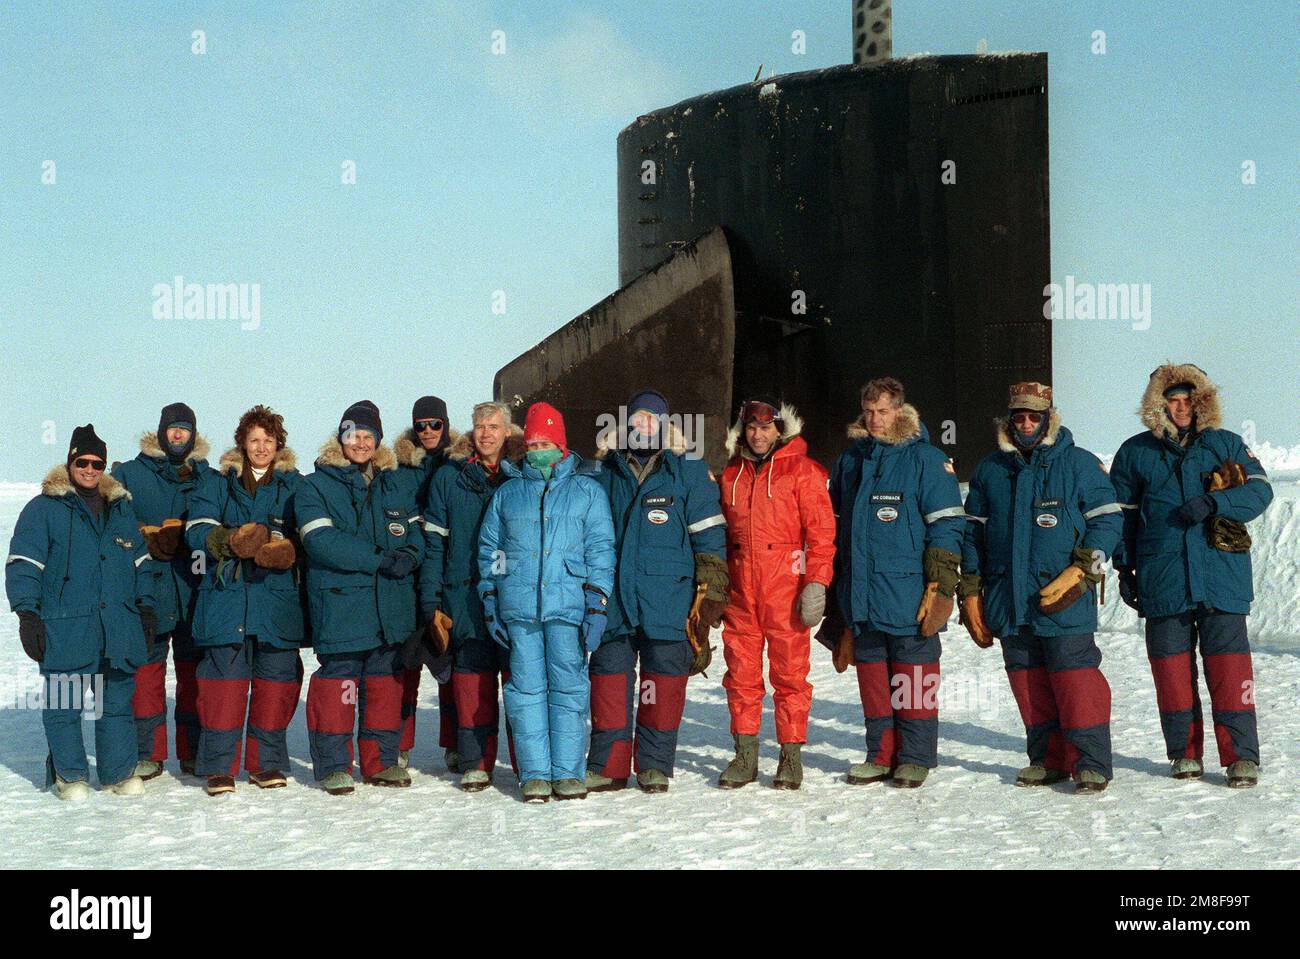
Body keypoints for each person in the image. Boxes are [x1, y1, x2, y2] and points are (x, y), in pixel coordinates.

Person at [1109, 364, 1272, 788]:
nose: (1180, 408)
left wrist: (1216, 505)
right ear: (1159, 406)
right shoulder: (1135, 452)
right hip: (1162, 579)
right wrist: (1124, 565)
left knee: (1230, 672)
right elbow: (1121, 517)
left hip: (1221, 576)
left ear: (1201, 402)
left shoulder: (1227, 444)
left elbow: (1260, 491)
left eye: (1187, 399)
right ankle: (1183, 753)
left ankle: (1241, 758)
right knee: (1172, 672)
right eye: (1172, 400)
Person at [960, 383, 1122, 793]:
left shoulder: (1080, 465)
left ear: (1049, 417)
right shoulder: (990, 470)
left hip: (1064, 597)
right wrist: (972, 589)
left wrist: (1086, 567)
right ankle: (1047, 760)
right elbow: (972, 535)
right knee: (1028, 680)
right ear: (1009, 420)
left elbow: (1108, 521)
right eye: (1019, 416)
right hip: (1008, 599)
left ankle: (1091, 763)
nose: (1027, 423)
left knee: (1075, 680)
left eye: (1035, 416)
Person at [583, 389, 729, 794]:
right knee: (609, 681)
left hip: (670, 598)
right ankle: (609, 766)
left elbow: (710, 537)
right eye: (636, 418)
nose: (642, 426)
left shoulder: (689, 471)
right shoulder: (603, 471)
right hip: (615, 599)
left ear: (664, 426)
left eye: (651, 419)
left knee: (661, 686)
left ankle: (654, 766)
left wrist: (711, 592)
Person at [822, 377, 964, 788]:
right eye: (868, 411)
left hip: (909, 594)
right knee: (873, 682)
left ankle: (915, 757)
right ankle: (880, 754)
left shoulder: (926, 460)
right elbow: (834, 528)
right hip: (863, 596)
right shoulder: (851, 461)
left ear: (900, 411)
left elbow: (948, 526)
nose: (874, 419)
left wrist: (939, 584)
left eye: (882, 411)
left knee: (913, 678)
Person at [476, 403, 615, 802]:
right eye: (533, 442)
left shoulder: (587, 490)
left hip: (568, 607)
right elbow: (492, 550)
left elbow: (601, 550)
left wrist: (597, 601)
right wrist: (491, 595)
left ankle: (568, 772)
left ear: (562, 445)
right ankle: (535, 773)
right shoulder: (509, 493)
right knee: (525, 691)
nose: (538, 449)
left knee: (569, 689)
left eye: (546, 442)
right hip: (519, 610)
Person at [6, 425, 154, 799]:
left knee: (116, 704)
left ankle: (118, 773)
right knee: (64, 704)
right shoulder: (43, 509)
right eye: (83, 462)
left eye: (97, 463)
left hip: (116, 625)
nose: (90, 469)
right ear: (71, 462)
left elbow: (142, 565)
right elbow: (23, 564)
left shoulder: (121, 511)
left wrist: (147, 607)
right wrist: (27, 614)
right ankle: (69, 775)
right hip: (65, 626)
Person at [296, 401, 425, 795]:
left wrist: (410, 555)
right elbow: (320, 540)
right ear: (341, 438)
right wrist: (380, 558)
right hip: (341, 608)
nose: (361, 443)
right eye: (354, 435)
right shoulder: (314, 485)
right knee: (341, 687)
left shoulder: (396, 483)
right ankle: (335, 765)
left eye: (369, 436)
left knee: (385, 685)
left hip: (389, 608)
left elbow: (416, 534)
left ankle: (381, 762)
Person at [184, 405, 305, 795]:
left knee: (275, 685)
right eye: (254, 440)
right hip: (226, 598)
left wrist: (288, 549)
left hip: (276, 601)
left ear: (278, 444)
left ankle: (266, 763)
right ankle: (219, 767)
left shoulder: (294, 485)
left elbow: (310, 533)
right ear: (242, 442)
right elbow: (197, 527)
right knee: (224, 687)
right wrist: (226, 541)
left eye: (268, 440)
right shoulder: (218, 482)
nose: (261, 447)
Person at [716, 398, 835, 790]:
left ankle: (790, 755)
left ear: (780, 430)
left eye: (766, 427)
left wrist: (816, 583)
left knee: (790, 676)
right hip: (741, 590)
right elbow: (718, 535)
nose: (758, 434)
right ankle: (746, 754)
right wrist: (715, 587)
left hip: (786, 587)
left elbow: (821, 535)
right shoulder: (731, 474)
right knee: (741, 674)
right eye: (751, 427)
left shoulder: (803, 472)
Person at [420, 401, 525, 791]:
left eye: (494, 426)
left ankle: (524, 764)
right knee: (472, 687)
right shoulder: (449, 477)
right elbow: (433, 545)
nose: (486, 433)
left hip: (515, 599)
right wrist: (431, 602)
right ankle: (475, 762)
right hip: (464, 599)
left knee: (519, 686)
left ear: (508, 432)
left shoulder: (524, 476)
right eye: (480, 426)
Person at [112, 402, 210, 780]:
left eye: (185, 429)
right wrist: (147, 537)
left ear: (193, 434)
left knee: (194, 676)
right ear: (160, 432)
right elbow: (112, 525)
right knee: (147, 676)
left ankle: (193, 750)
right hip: (147, 593)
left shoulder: (208, 476)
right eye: (172, 428)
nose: (178, 435)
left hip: (194, 590)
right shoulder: (129, 474)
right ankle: (147, 753)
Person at [393, 395, 456, 770]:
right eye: (421, 425)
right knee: (407, 663)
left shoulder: (458, 464)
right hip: (410, 574)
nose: (428, 431)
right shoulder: (401, 470)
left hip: (448, 574)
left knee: (450, 659)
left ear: (446, 425)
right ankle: (400, 742)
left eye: (435, 424)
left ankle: (454, 742)